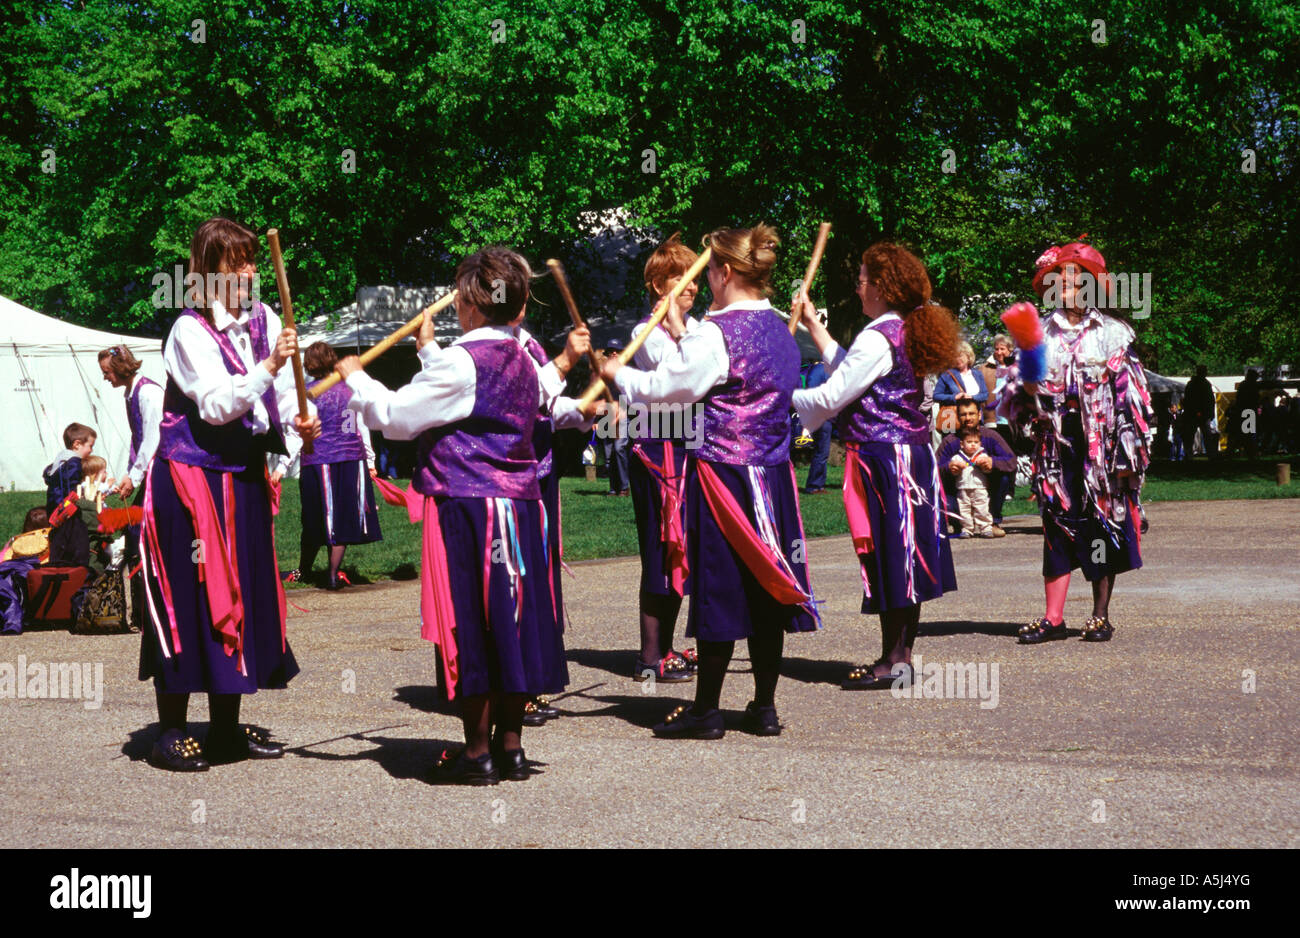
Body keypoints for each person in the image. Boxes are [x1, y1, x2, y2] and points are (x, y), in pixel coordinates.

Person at [339, 247, 564, 785]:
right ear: (521, 305)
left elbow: (397, 418)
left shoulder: (466, 361)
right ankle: (511, 749)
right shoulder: (526, 361)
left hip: (469, 508)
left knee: (470, 624)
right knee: (508, 623)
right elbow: (449, 392)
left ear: (467, 304)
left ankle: (477, 753)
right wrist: (426, 353)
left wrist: (355, 378)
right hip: (520, 505)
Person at [602, 224, 819, 738]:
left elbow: (669, 389)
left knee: (719, 589)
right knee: (768, 587)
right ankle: (763, 707)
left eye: (709, 273)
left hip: (724, 476)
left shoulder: (715, 332)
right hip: (773, 477)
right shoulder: (784, 334)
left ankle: (707, 711)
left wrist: (617, 374)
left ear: (722, 272)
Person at [138, 216, 319, 772]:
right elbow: (218, 404)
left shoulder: (266, 319)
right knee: (191, 597)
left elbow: (280, 405)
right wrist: (270, 366)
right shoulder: (189, 331)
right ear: (206, 272)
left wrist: (297, 428)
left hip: (238, 480)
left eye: (250, 261)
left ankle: (224, 729)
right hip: (190, 482)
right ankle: (170, 729)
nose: (248, 271)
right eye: (234, 263)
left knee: (239, 596)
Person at [792, 242, 958, 689]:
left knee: (892, 554)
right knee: (901, 554)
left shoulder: (878, 336)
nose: (857, 285)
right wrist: (812, 324)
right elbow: (850, 371)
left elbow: (831, 396)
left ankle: (894, 660)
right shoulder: (897, 329)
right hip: (906, 455)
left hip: (887, 460)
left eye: (863, 278)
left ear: (882, 287)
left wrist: (777, 396)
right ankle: (898, 657)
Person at [1006, 241, 1153, 644]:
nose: (1066, 285)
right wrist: (1028, 392)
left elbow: (1130, 397)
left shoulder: (1112, 332)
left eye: (1074, 278)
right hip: (1056, 445)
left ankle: (1099, 616)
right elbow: (1016, 399)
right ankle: (1053, 619)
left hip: (1101, 447)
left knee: (1100, 522)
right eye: (1060, 279)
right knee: (1055, 522)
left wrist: (1127, 453)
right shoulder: (1040, 334)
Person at [624, 233, 700, 684]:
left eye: (694, 278)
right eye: (680, 278)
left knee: (681, 550)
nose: (691, 286)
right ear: (659, 286)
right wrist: (676, 329)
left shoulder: (692, 330)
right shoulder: (645, 333)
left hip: (686, 450)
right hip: (656, 455)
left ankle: (667, 646)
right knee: (660, 548)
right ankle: (650, 656)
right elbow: (682, 377)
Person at [514, 312, 596, 725]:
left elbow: (544, 409)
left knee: (540, 581)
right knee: (517, 582)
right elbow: (521, 398)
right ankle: (514, 689)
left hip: (538, 476)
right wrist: (565, 360)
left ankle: (532, 680)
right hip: (507, 486)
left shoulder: (526, 342)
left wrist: (581, 408)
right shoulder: (489, 347)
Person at [277, 342, 383, 590]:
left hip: (319, 459)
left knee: (315, 518)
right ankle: (333, 573)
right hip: (350, 459)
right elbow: (362, 426)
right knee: (342, 517)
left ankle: (305, 570)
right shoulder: (351, 390)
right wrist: (369, 460)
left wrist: (283, 465)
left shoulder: (307, 394)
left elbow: (297, 435)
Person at [937, 399, 1016, 533]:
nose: (968, 418)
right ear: (957, 416)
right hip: (959, 492)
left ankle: (993, 522)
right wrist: (948, 468)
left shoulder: (991, 436)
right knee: (943, 498)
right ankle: (961, 524)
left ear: (979, 415)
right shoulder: (950, 441)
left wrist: (993, 462)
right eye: (963, 414)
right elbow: (934, 467)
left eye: (971, 413)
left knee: (1003, 478)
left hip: (985, 492)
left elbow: (1011, 461)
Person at [43, 423, 96, 567]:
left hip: (54, 506)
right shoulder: (74, 462)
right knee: (79, 539)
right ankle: (79, 569)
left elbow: (48, 476)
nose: (91, 450)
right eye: (90, 446)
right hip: (67, 508)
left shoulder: (61, 459)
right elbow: (71, 486)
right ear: (77, 444)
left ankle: (58, 566)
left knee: (60, 538)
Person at [946, 428, 998, 538]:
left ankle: (986, 528)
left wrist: (985, 467)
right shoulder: (957, 457)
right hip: (963, 488)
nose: (973, 445)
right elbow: (954, 473)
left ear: (980, 443)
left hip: (979, 488)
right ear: (962, 444)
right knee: (964, 510)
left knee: (982, 509)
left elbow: (988, 471)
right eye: (969, 442)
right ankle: (967, 529)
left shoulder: (983, 456)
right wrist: (955, 469)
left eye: (976, 442)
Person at [933, 341, 989, 434]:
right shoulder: (946, 375)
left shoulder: (977, 374)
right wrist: (954, 397)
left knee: (973, 445)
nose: (957, 359)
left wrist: (972, 398)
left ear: (968, 356)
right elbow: (936, 396)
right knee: (952, 445)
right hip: (952, 420)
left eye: (960, 355)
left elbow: (985, 395)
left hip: (973, 420)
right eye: (954, 356)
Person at [599, 338, 631, 495]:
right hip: (607, 413)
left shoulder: (627, 371)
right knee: (609, 453)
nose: (614, 353)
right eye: (611, 350)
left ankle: (624, 487)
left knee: (619, 448)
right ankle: (613, 488)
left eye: (617, 350)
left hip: (623, 412)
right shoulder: (603, 374)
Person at [801, 360, 833, 494]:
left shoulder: (819, 369)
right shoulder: (821, 369)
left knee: (822, 451)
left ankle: (818, 484)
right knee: (821, 451)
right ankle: (814, 485)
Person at [1182, 364, 1217, 458]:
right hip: (1196, 413)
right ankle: (1190, 454)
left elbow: (1210, 400)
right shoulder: (1199, 384)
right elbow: (1208, 400)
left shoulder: (1200, 383)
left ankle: (1209, 453)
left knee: (1204, 435)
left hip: (1199, 413)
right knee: (1196, 435)